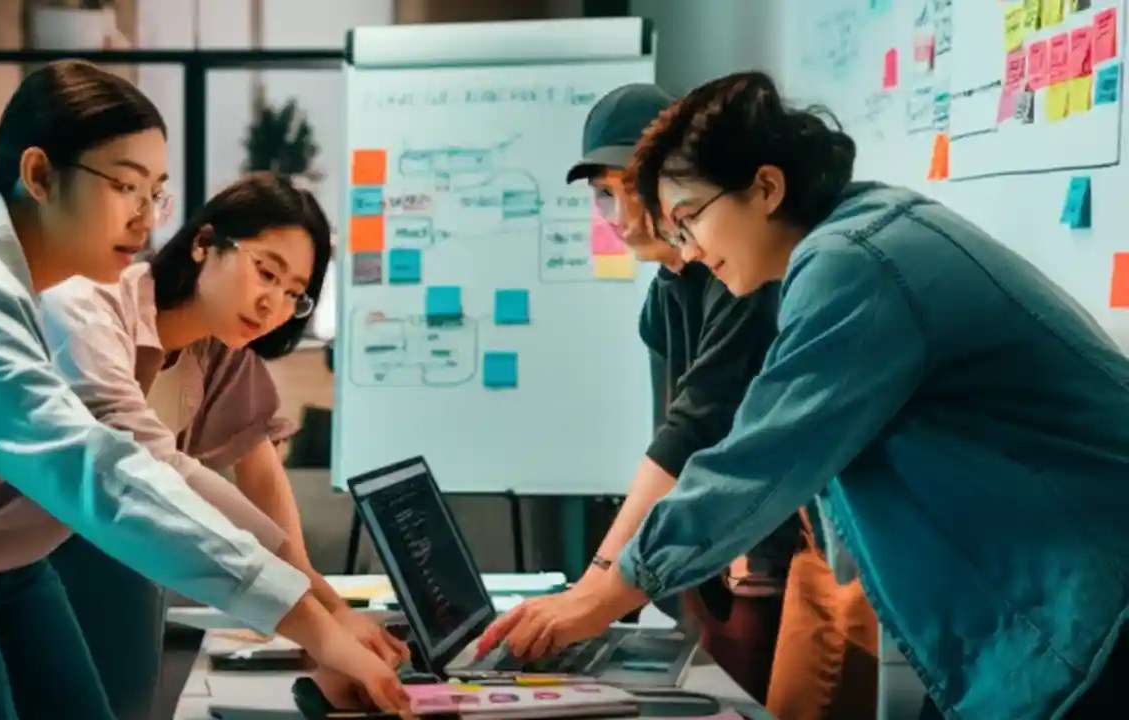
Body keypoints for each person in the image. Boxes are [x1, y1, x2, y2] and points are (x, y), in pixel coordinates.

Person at [478, 70, 1129, 719]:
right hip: (1053, 602)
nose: (693, 251)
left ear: (765, 188)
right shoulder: (856, 232)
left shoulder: (852, 264)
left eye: (692, 220)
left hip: (1095, 609)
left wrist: (603, 593)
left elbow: (756, 461)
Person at [0, 60, 408, 720]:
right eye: (124, 186)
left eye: (155, 193)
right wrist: (316, 626)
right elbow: (105, 474)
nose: (144, 218)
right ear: (38, 175)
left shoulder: (2, 281)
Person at [559, 83, 795, 702]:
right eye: (601, 197)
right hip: (701, 547)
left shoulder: (740, 273)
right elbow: (668, 428)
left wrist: (598, 584)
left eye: (625, 190)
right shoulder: (665, 291)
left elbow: (693, 428)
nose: (618, 217)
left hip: (760, 558)